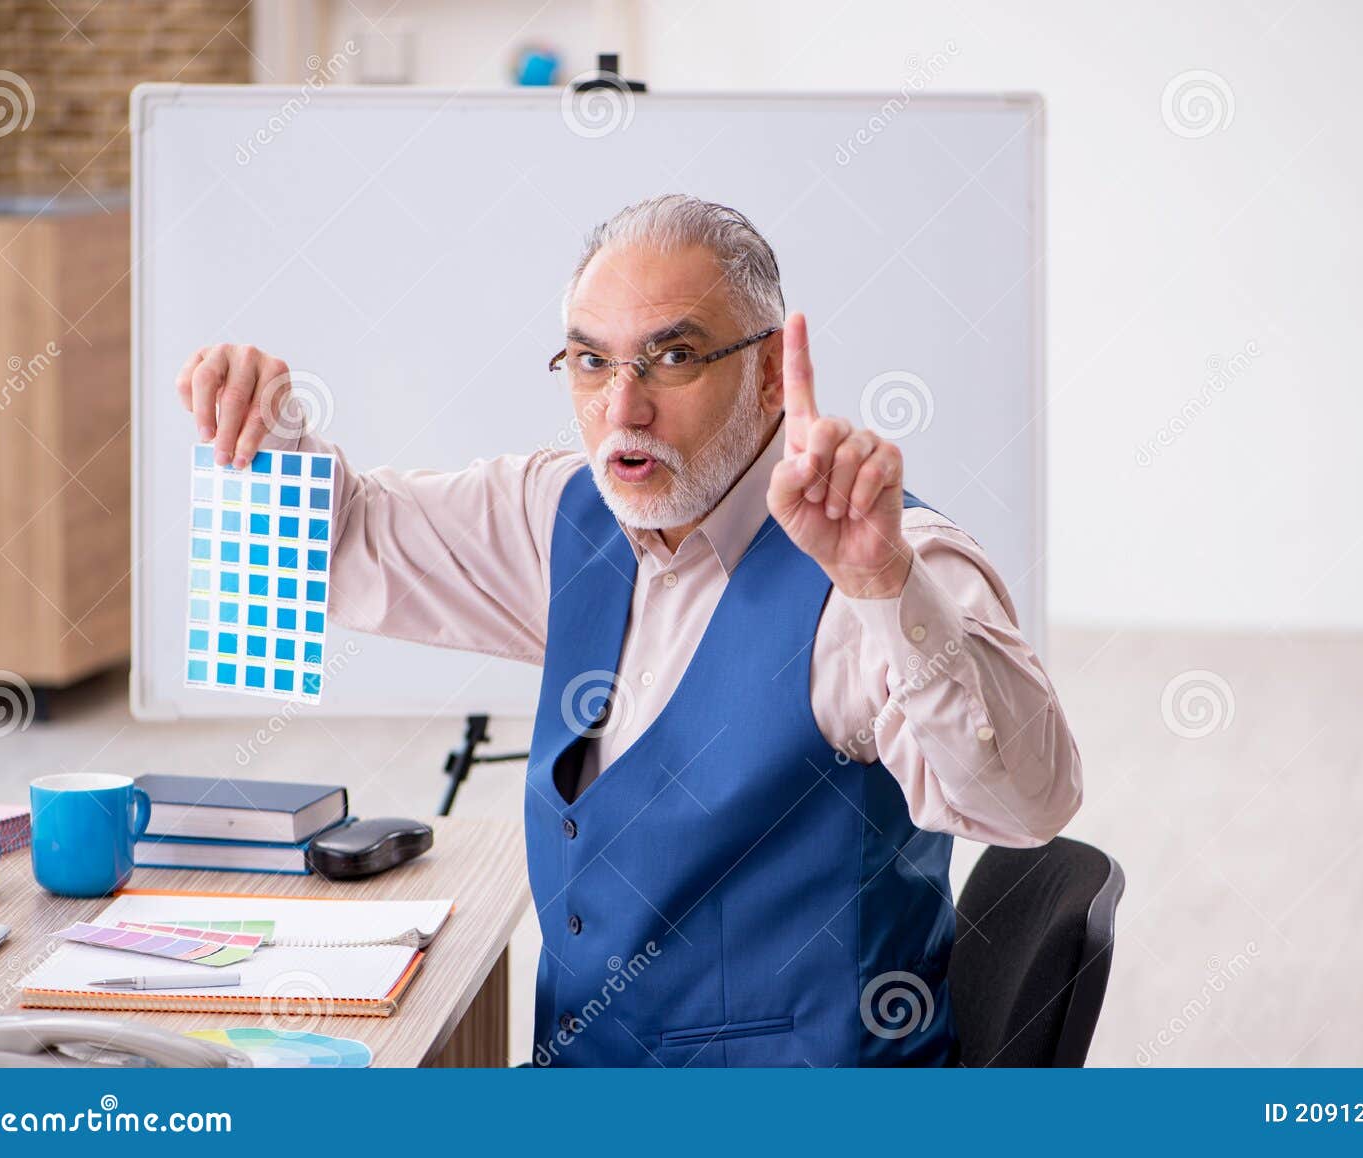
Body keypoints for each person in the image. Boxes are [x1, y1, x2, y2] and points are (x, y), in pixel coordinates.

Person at [176, 193, 1082, 1066]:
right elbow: (346, 545)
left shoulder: (891, 556)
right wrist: (266, 425)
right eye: (591, 362)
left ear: (768, 373)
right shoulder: (564, 510)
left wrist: (886, 587)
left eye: (674, 357)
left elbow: (1027, 806)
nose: (623, 408)